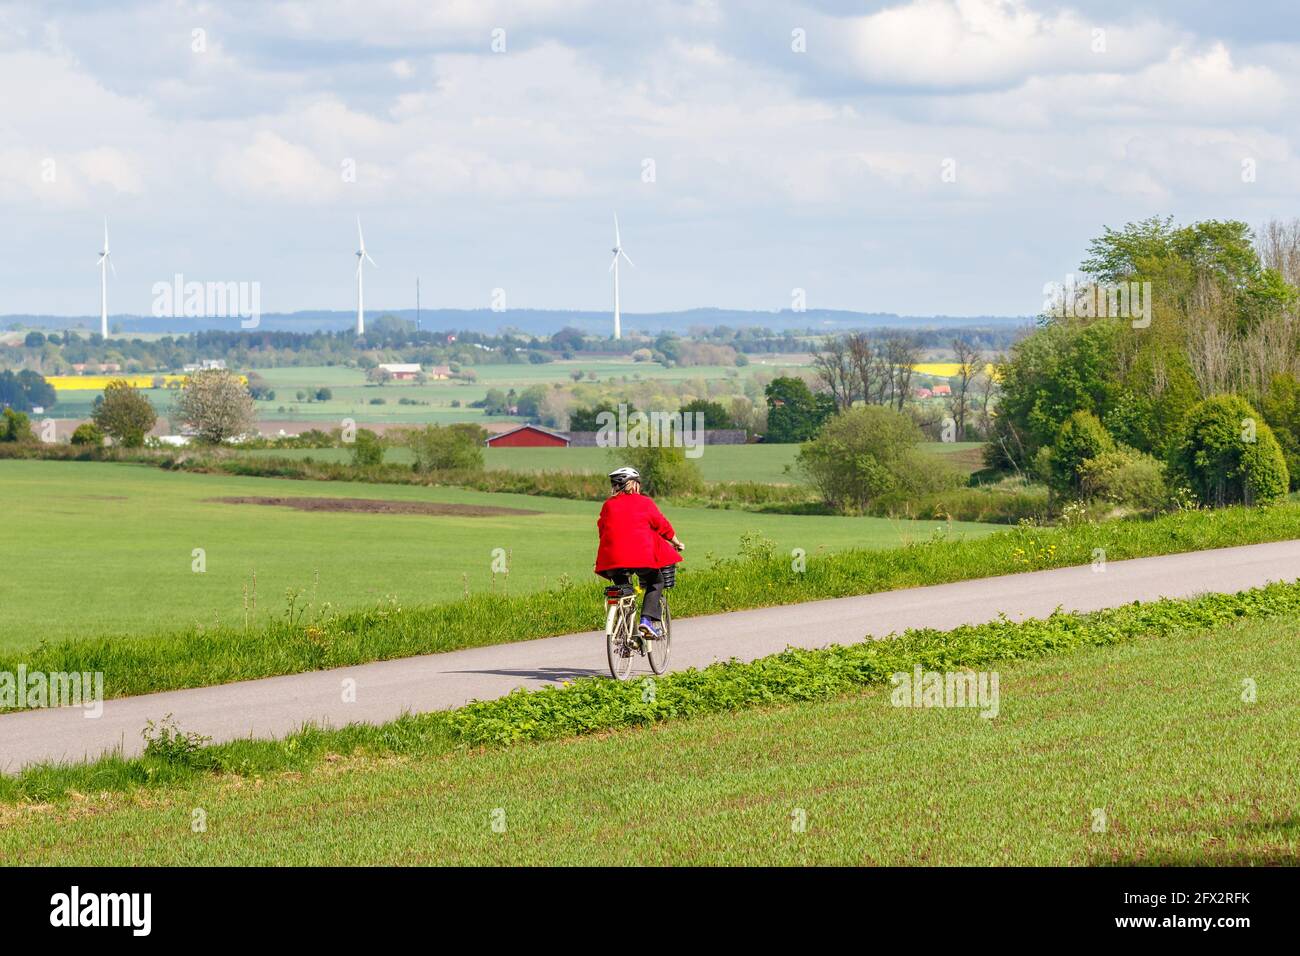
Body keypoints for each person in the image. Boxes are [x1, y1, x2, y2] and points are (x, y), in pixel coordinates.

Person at [595, 466, 684, 640]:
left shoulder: (607, 505)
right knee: (656, 581)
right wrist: (676, 542)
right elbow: (662, 525)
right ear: (633, 485)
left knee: (624, 590)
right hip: (642, 558)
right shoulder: (645, 502)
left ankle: (625, 635)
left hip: (612, 559)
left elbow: (602, 530)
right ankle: (646, 620)